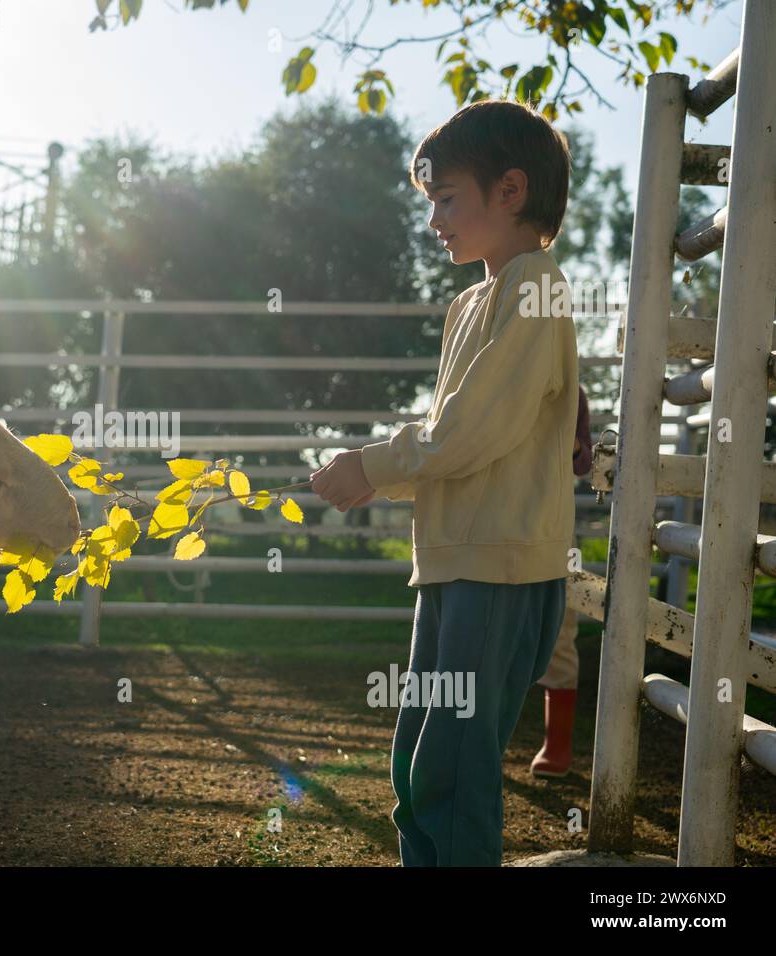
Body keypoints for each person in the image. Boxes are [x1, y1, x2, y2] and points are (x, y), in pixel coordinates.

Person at [310, 99, 579, 866]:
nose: (435, 222)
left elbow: (473, 430)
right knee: (416, 763)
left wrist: (374, 466)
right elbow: (459, 433)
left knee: (451, 771)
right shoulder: (473, 302)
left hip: (496, 569)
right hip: (453, 564)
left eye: (446, 200)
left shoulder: (534, 289)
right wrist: (375, 473)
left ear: (511, 191)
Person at [530, 383, 593, 777]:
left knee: (559, 623)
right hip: (491, 518)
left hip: (551, 522)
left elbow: (584, 460)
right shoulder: (491, 377)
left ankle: (558, 743)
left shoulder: (573, 394)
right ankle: (473, 740)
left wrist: (571, 446)